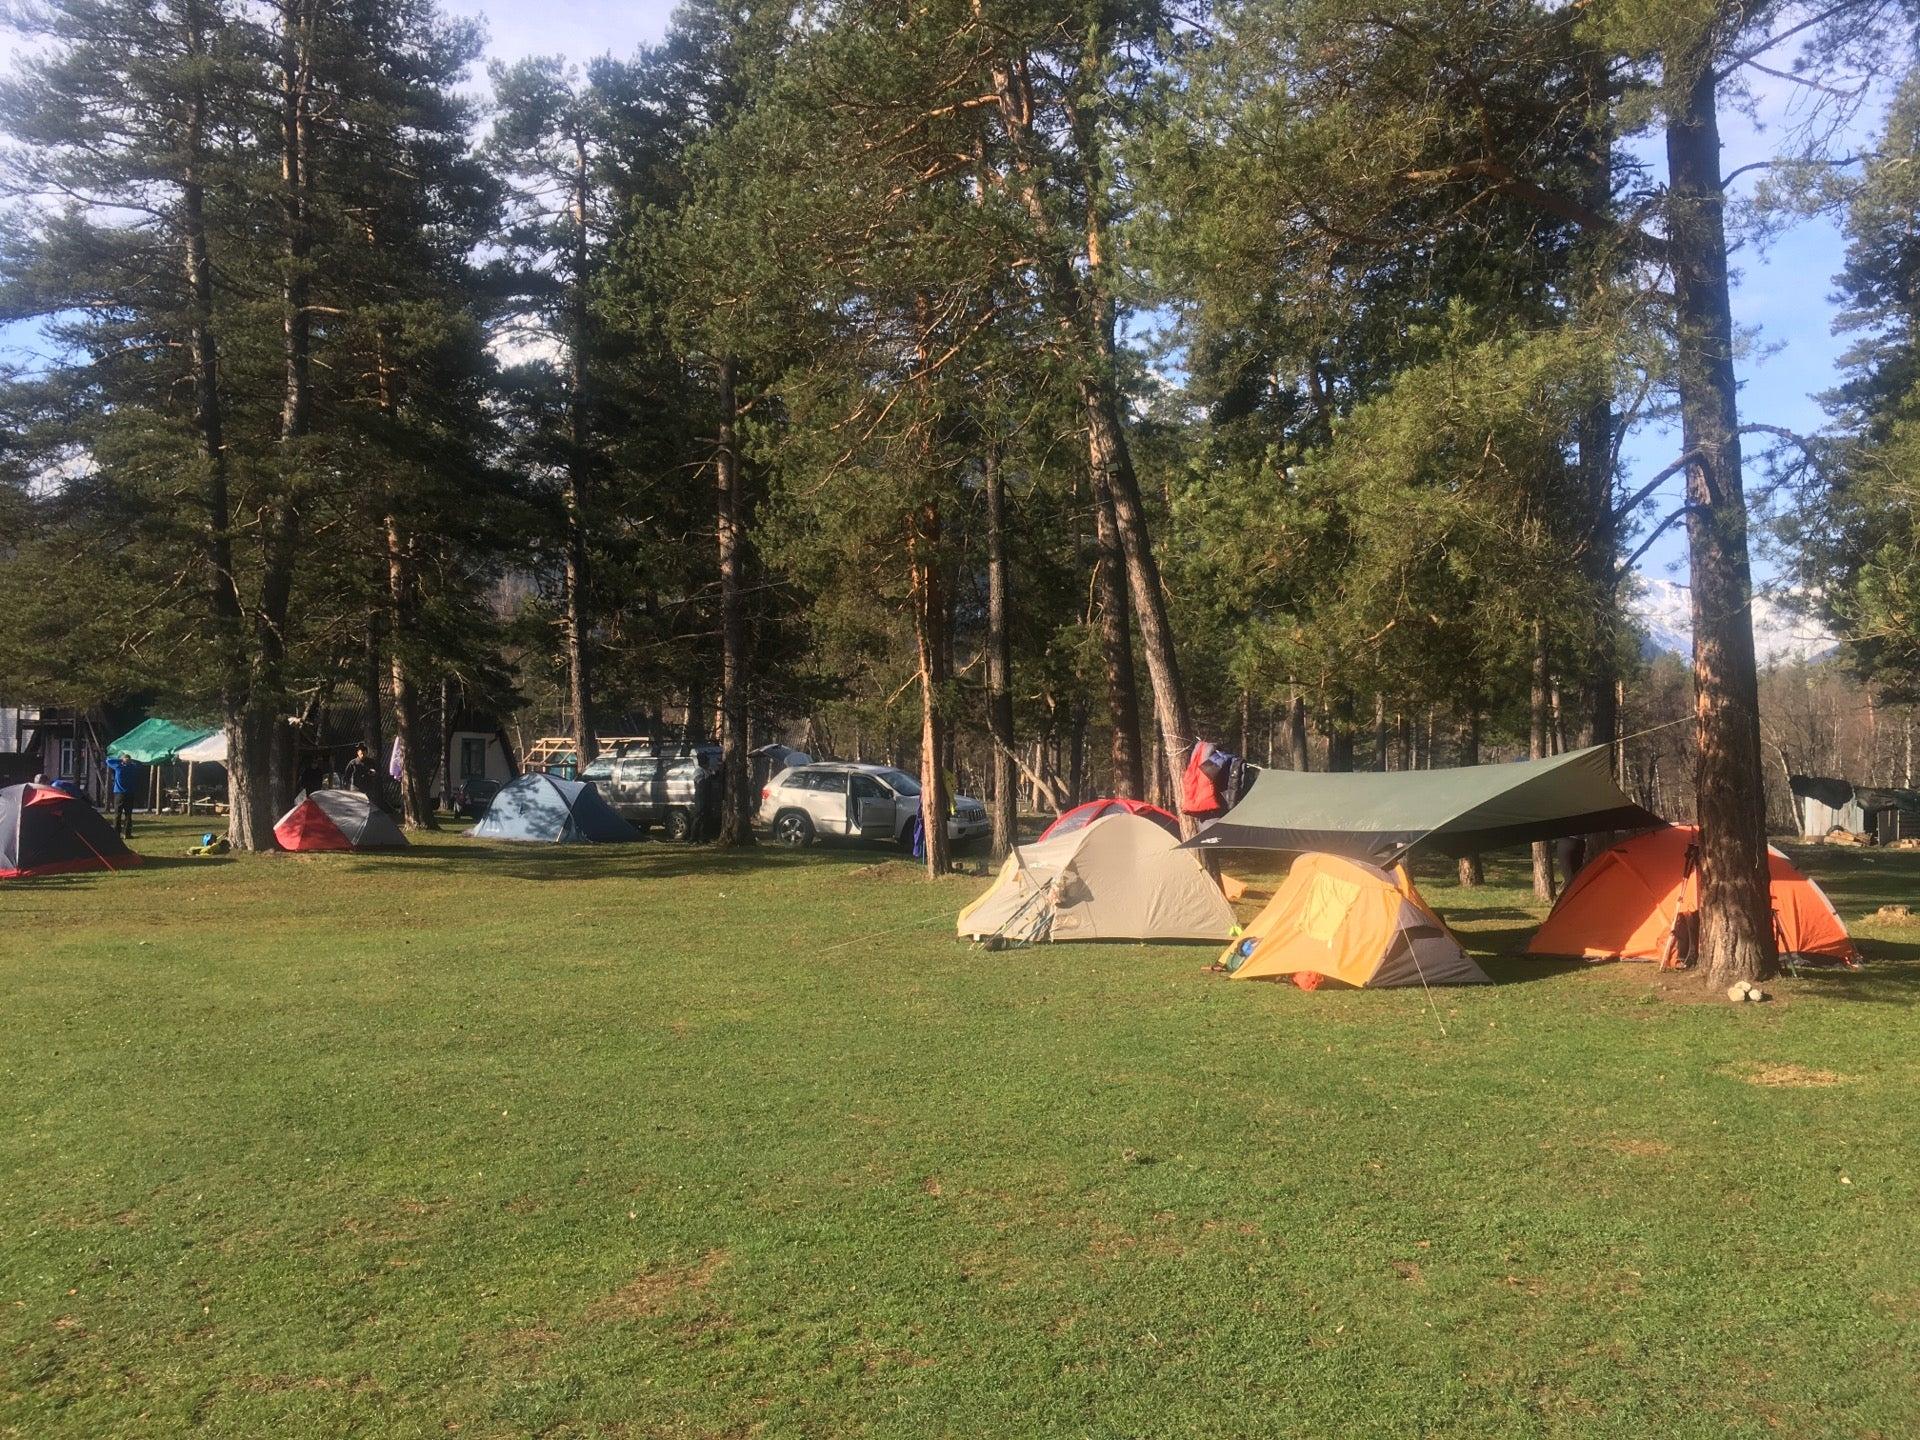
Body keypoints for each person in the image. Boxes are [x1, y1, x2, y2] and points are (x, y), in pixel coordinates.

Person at [105, 752, 136, 839]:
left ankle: (116, 833)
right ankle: (127, 833)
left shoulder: (119, 767)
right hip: (130, 793)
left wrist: (120, 760)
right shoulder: (133, 768)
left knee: (117, 813)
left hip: (119, 793)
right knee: (128, 814)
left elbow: (108, 761)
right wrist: (130, 761)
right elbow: (139, 764)